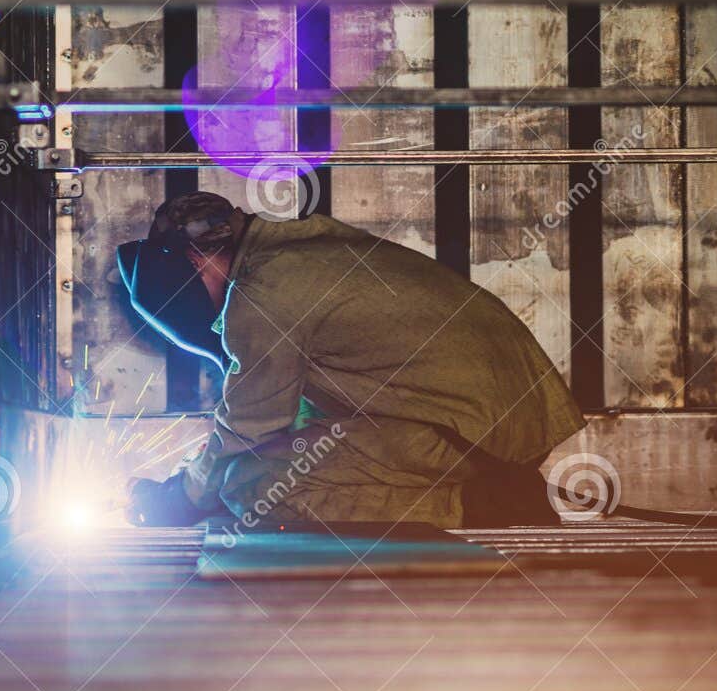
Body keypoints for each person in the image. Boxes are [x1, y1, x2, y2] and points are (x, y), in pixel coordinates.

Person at [120, 192, 584, 529]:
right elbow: (293, 413)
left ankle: (479, 504)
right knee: (267, 461)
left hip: (467, 436)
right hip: (496, 422)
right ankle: (484, 490)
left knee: (255, 487)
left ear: (198, 261)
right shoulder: (304, 248)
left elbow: (248, 426)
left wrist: (180, 497)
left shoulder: (262, 294)